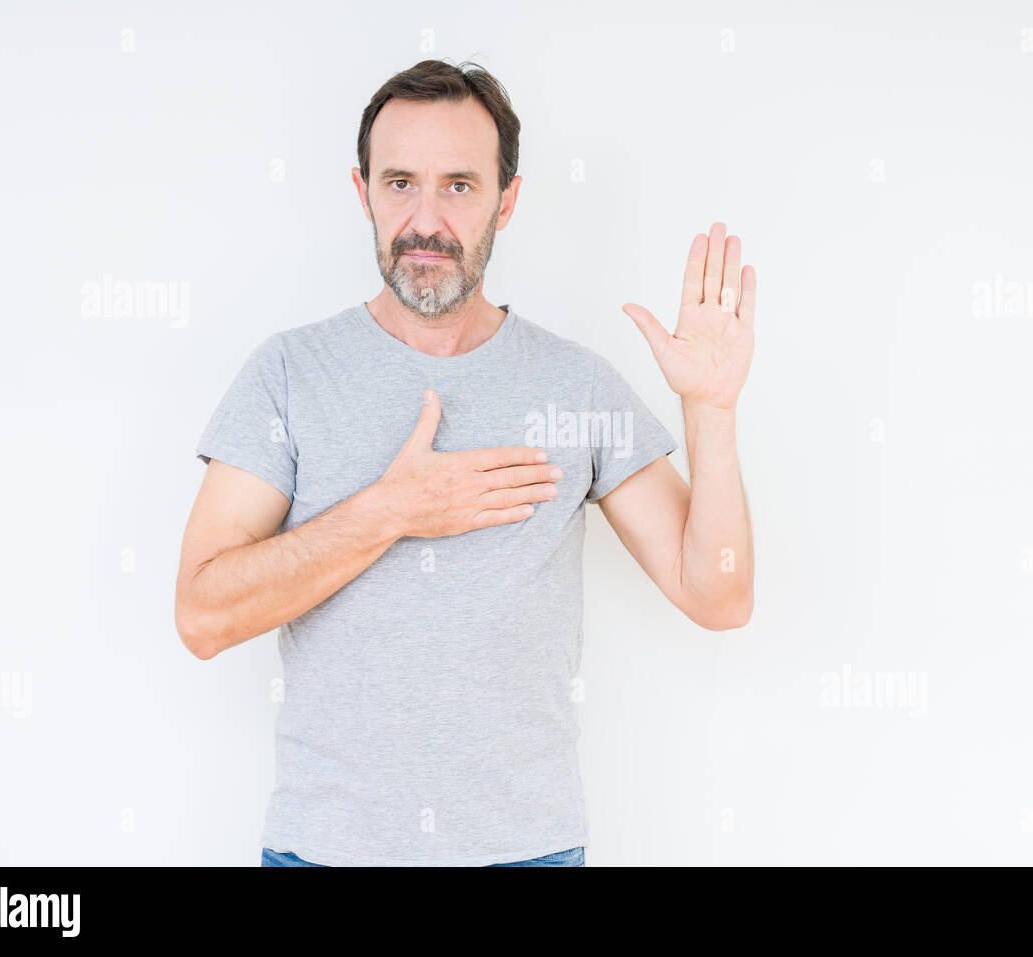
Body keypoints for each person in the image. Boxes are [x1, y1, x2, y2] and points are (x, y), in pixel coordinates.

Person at [175, 58, 756, 867]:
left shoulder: (574, 384)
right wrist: (390, 510)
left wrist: (712, 412)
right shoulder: (288, 374)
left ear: (506, 200)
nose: (425, 219)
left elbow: (718, 594)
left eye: (458, 185)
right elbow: (202, 615)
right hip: (326, 854)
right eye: (400, 182)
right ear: (362, 192)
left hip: (526, 853)